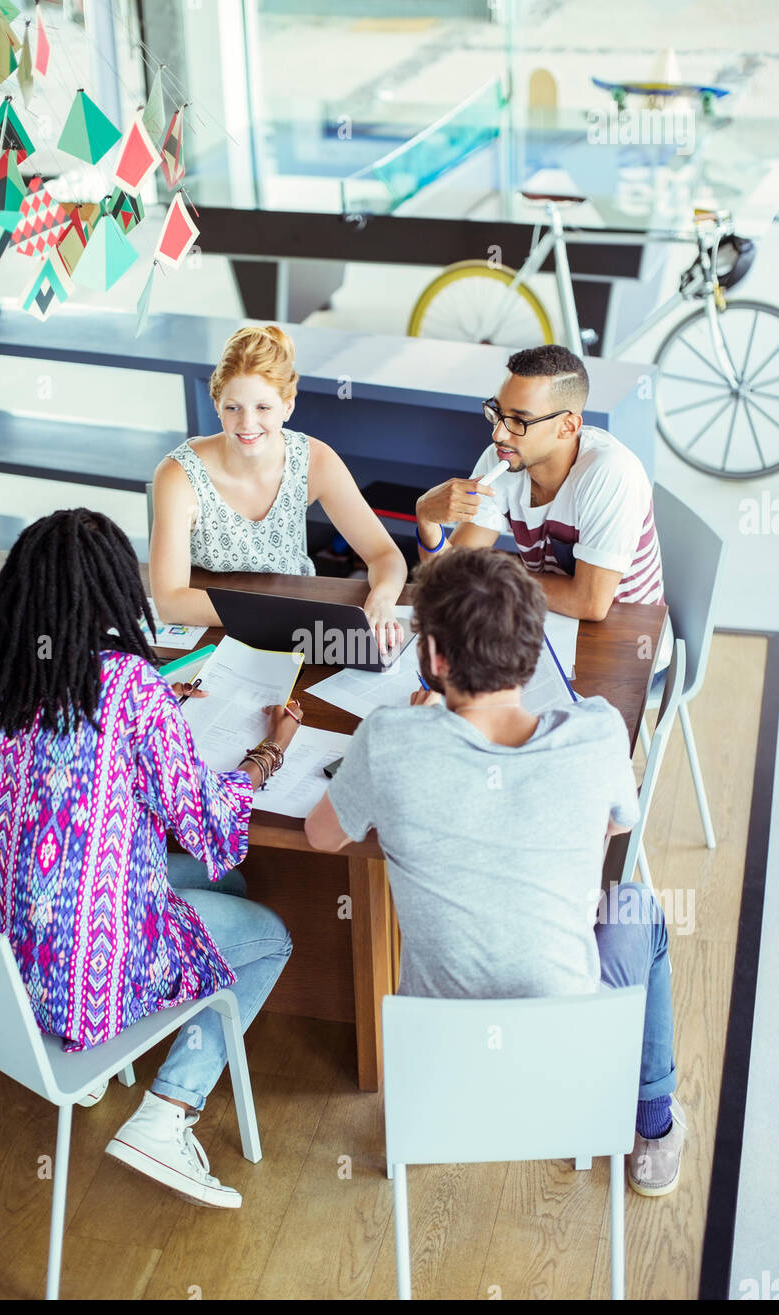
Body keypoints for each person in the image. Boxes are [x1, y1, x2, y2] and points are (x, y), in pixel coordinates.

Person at [304, 547, 685, 1196]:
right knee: (634, 908)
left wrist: (417, 734)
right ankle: (651, 1126)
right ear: (534, 651)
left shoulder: (390, 740)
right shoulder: (595, 734)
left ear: (436, 659)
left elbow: (322, 835)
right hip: (568, 1063)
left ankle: (435, 1129)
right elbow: (618, 823)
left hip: (441, 1063)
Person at [0, 507, 302, 1208]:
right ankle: (166, 1114)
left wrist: (153, 711)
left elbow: (69, 749)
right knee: (269, 936)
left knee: (226, 883)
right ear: (116, 591)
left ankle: (95, 1065)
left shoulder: (0, 673)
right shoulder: (125, 687)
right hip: (84, 973)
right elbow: (205, 821)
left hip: (1, 966)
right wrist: (269, 755)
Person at [149, 323, 408, 657]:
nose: (247, 424)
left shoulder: (316, 460)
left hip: (294, 630)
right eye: (233, 407)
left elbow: (385, 556)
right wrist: (275, 613)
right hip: (217, 630)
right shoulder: (177, 474)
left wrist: (382, 603)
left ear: (288, 405)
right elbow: (169, 601)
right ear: (216, 404)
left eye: (263, 408)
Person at [414, 344, 666, 631]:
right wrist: (427, 519)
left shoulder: (611, 473)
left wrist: (490, 579)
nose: (498, 433)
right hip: (546, 627)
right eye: (497, 412)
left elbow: (590, 603)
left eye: (519, 420)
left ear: (568, 427)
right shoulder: (503, 458)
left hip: (625, 644)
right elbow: (450, 579)